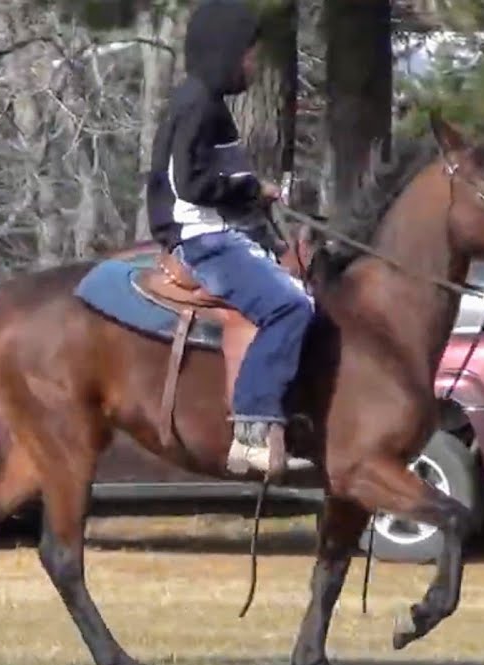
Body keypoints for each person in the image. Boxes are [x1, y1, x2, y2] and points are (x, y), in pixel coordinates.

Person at [144, 0, 315, 474]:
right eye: (249, 54)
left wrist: (258, 207)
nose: (254, 65)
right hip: (202, 238)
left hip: (223, 230)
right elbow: (190, 185)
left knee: (303, 285)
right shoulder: (196, 104)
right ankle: (253, 429)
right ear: (225, 50)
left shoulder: (211, 106)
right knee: (289, 306)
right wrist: (251, 187)